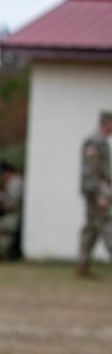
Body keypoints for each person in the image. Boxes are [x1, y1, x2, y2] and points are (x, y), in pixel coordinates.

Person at [77, 110, 112, 278]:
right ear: (107, 123)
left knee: (91, 228)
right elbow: (91, 170)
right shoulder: (95, 142)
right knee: (108, 225)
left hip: (97, 190)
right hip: (97, 192)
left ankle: (83, 265)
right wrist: (100, 194)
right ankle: (83, 264)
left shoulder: (100, 141)